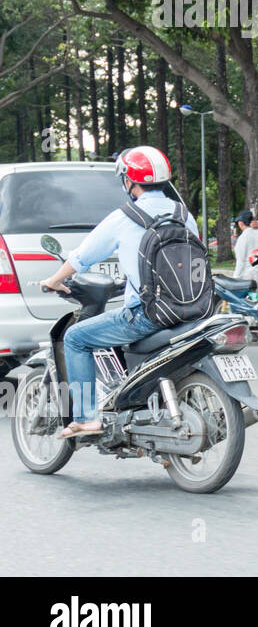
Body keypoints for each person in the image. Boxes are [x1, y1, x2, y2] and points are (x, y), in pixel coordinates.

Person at [39, 146, 199, 438]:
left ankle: (87, 418)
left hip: (148, 315)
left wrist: (53, 280)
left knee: (76, 337)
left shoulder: (125, 217)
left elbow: (81, 257)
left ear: (129, 181)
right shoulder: (183, 214)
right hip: (193, 309)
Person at [233, 209, 258, 286]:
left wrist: (236, 277)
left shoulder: (242, 238)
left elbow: (240, 261)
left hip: (248, 275)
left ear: (240, 223)